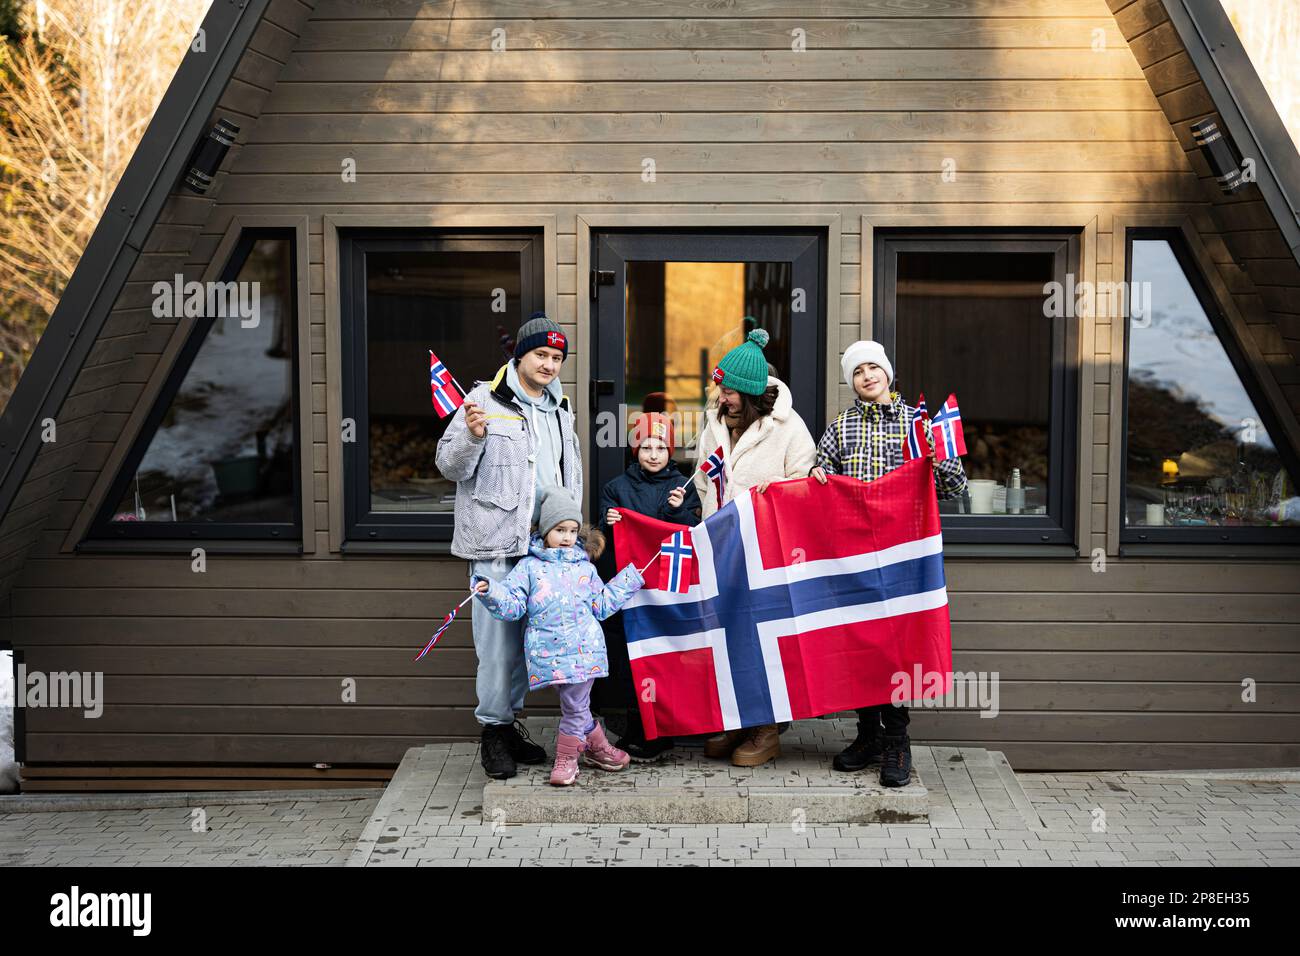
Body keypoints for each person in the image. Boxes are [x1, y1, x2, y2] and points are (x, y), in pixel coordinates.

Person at [811, 340, 967, 787]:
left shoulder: (917, 422)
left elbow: (954, 487)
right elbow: (820, 479)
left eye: (872, 367)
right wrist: (818, 477)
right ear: (851, 381)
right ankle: (868, 735)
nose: (866, 376)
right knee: (863, 641)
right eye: (857, 371)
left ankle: (897, 740)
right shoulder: (840, 428)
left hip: (904, 554)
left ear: (887, 372)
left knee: (897, 644)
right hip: (854, 554)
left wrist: (938, 459)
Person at [435, 311, 582, 780]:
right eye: (541, 354)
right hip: (495, 548)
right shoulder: (482, 400)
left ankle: (511, 724)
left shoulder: (561, 409)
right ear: (520, 355)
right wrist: (473, 438)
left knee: (525, 645)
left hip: (543, 551)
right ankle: (494, 733)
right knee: (496, 646)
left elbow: (567, 475)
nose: (549, 365)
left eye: (557, 357)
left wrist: (571, 529)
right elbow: (449, 466)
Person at [693, 325, 817, 767]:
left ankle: (766, 727)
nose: (719, 398)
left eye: (727, 392)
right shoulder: (714, 424)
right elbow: (705, 484)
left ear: (747, 392)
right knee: (725, 633)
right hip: (722, 547)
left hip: (769, 553)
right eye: (719, 389)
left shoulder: (789, 427)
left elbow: (806, 488)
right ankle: (735, 719)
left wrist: (778, 489)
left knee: (761, 637)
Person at [473, 489, 645, 786]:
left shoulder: (585, 569)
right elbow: (513, 606)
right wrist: (493, 592)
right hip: (549, 655)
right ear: (544, 531)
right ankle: (599, 748)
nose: (567, 537)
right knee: (576, 707)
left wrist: (627, 582)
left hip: (585, 651)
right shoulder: (529, 567)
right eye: (559, 530)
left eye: (573, 531)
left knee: (575, 707)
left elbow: (601, 605)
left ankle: (567, 760)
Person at [595, 412, 702, 760]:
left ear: (670, 451)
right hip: (630, 587)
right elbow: (602, 542)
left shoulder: (683, 487)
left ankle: (667, 729)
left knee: (665, 654)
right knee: (632, 657)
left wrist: (677, 512)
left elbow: (693, 533)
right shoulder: (616, 487)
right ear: (634, 449)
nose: (653, 454)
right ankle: (637, 728)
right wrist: (606, 522)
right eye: (645, 446)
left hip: (667, 587)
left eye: (660, 447)